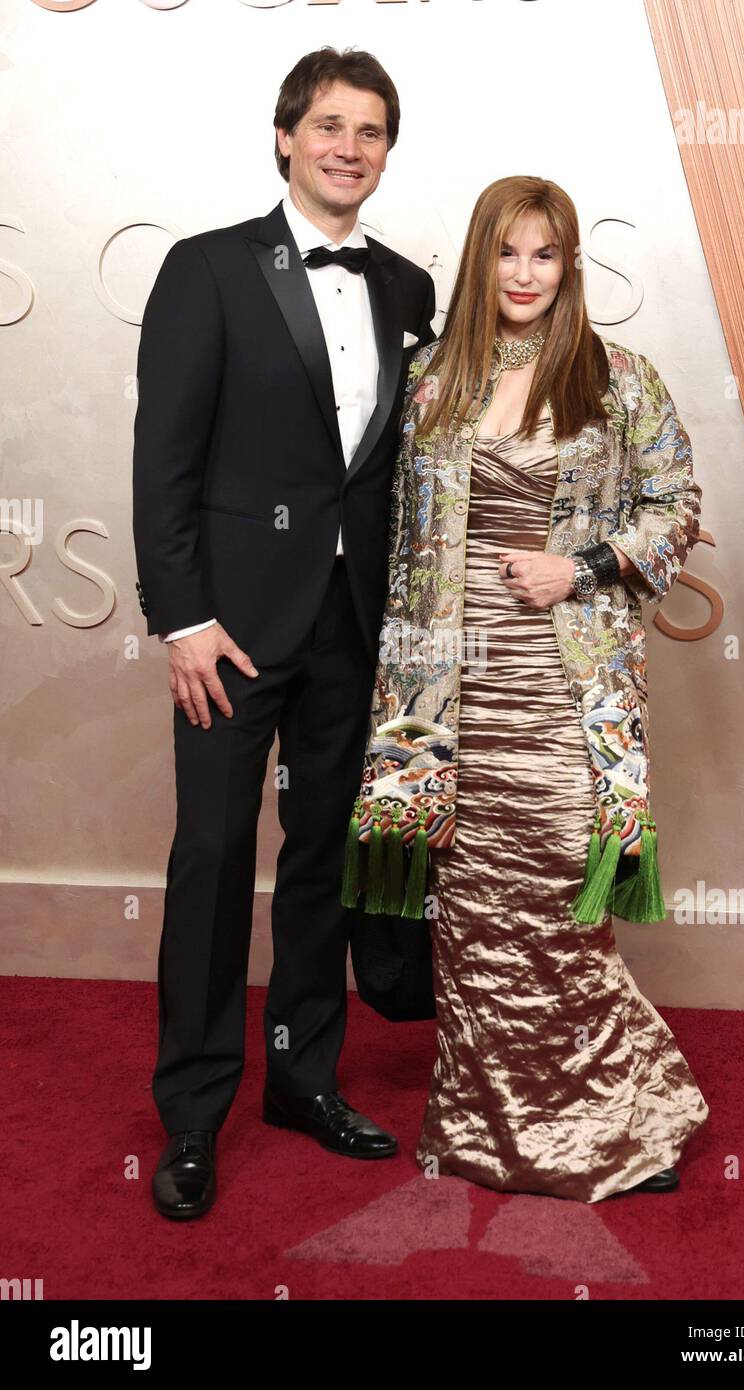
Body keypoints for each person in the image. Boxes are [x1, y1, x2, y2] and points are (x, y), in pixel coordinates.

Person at [341, 175, 710, 1202]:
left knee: (557, 904)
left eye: (543, 254)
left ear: (569, 264)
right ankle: (483, 1126)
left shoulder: (616, 378)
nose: (523, 273)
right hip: (442, 695)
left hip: (561, 679)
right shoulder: (428, 379)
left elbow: (675, 504)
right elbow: (363, 512)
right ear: (480, 259)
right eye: (506, 252)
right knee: (468, 913)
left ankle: (614, 1121)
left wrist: (579, 568)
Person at [132, 46, 436, 1219]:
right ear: (284, 136)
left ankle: (303, 1078)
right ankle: (193, 1113)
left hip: (353, 631)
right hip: (230, 633)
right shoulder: (206, 269)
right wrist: (183, 619)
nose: (347, 147)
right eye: (327, 125)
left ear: (385, 151)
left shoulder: (407, 288)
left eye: (369, 130)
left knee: (322, 861)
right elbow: (164, 460)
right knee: (212, 859)